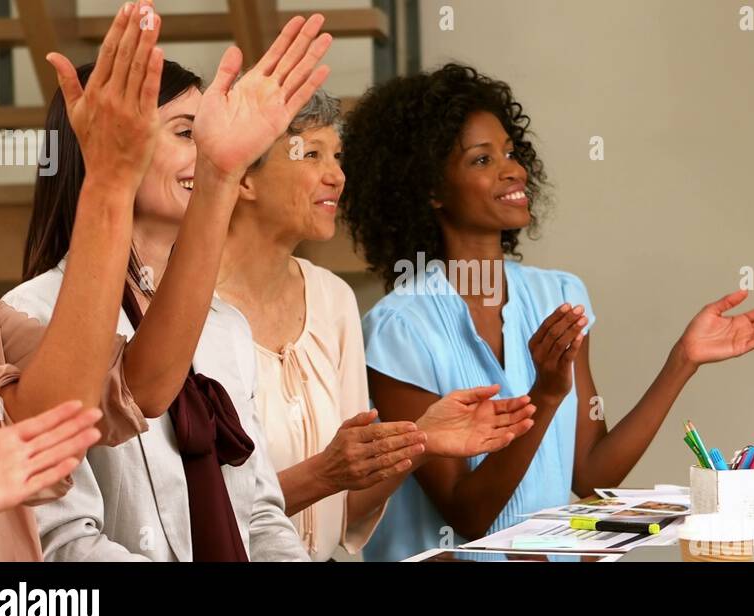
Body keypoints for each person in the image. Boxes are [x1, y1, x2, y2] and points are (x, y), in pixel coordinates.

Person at [338, 63, 754, 561]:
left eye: (511, 153)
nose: (512, 169)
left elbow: (590, 474)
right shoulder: (398, 329)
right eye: (482, 160)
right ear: (429, 188)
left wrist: (681, 362)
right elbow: (467, 515)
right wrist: (546, 394)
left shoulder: (558, 294)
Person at [5, 13, 334, 561]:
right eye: (187, 132)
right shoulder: (33, 314)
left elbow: (261, 518)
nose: (209, 149)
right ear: (105, 143)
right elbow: (62, 542)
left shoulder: (225, 325)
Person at [215, 89, 536, 560]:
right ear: (244, 178)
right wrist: (325, 471)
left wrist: (422, 439)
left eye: (338, 157)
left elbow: (341, 510)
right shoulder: (185, 308)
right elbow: (182, 514)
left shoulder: (333, 300)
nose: (336, 176)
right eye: (311, 155)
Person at [0, 1, 206, 561]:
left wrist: (225, 178)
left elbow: (144, 386)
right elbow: (43, 425)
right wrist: (110, 182)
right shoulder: (23, 301)